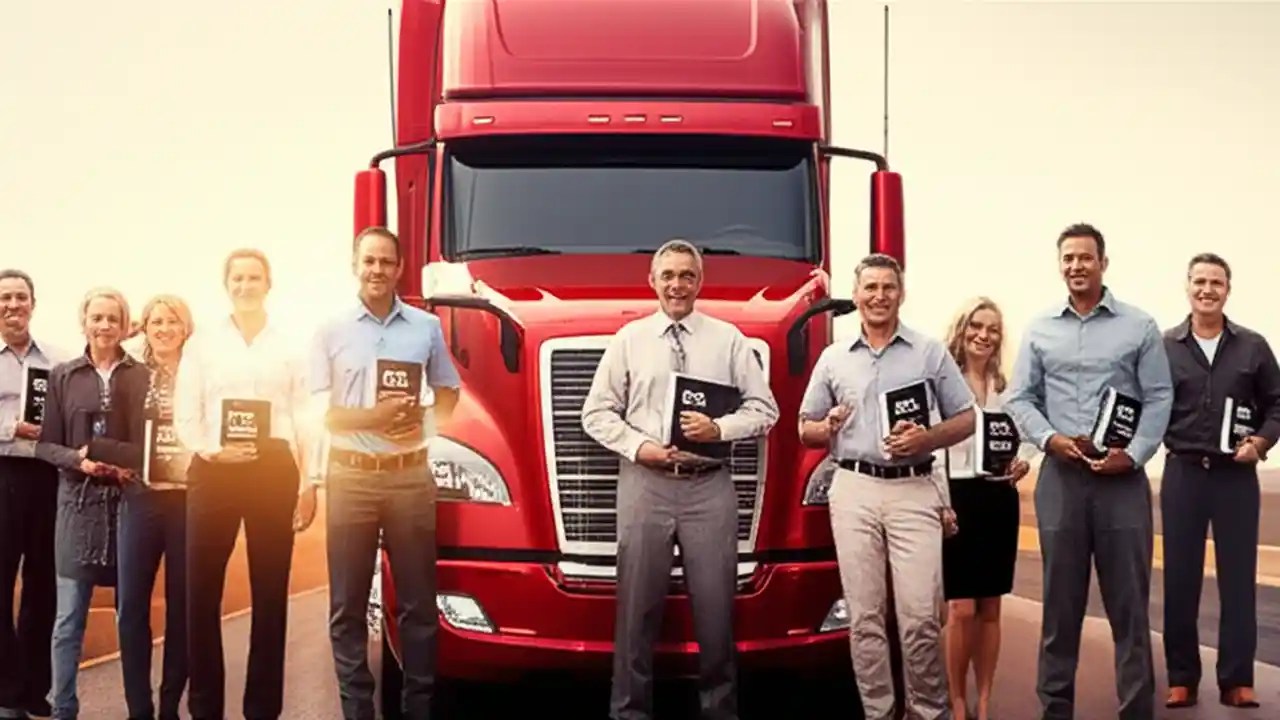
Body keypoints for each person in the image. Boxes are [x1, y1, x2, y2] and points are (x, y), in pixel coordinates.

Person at [581, 238, 779, 720]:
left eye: (687, 275)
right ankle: (629, 712)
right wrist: (639, 447)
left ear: (700, 282)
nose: (677, 285)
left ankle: (720, 712)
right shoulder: (629, 340)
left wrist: (719, 429)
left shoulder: (728, 340)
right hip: (645, 484)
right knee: (636, 614)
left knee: (716, 615)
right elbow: (595, 413)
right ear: (652, 281)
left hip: (709, 487)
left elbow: (765, 410)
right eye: (668, 275)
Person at [1004, 223, 1172, 720]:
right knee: (1060, 605)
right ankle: (1055, 708)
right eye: (1068, 258)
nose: (1076, 265)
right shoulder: (1040, 329)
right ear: (1060, 265)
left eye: (1085, 257)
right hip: (1062, 480)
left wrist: (1134, 454)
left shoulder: (1139, 326)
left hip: (1122, 483)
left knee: (1129, 606)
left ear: (1103, 262)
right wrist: (1050, 440)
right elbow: (1019, 397)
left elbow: (1159, 395)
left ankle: (1136, 709)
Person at [797, 252, 976, 720]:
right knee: (865, 618)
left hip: (913, 489)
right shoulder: (834, 358)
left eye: (888, 287)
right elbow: (804, 427)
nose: (879, 296)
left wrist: (926, 437)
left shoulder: (928, 351)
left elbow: (966, 418)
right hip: (854, 489)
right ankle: (879, 713)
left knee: (919, 618)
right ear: (856, 295)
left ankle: (929, 711)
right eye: (870, 287)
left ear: (901, 293)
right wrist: (826, 426)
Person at [309, 227, 461, 720]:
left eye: (386, 262)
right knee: (347, 608)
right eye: (369, 261)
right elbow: (319, 413)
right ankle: (358, 711)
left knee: (419, 607)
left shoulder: (426, 328)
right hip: (350, 477)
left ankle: (418, 710)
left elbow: (449, 394)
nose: (377, 270)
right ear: (355, 266)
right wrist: (372, 418)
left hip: (409, 478)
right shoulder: (329, 330)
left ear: (400, 269)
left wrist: (424, 423)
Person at [173, 248, 314, 720]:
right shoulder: (202, 344)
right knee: (200, 593)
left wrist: (309, 482)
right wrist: (213, 450)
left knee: (270, 594)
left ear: (268, 284)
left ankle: (262, 711)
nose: (246, 285)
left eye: (254, 277)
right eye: (238, 278)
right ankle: (205, 709)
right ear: (226, 284)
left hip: (273, 469)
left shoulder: (290, 344)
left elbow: (305, 415)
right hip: (214, 468)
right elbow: (186, 412)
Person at [1159, 253, 1278, 710]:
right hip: (1184, 473)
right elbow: (1149, 402)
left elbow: (1278, 404)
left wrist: (1261, 443)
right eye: (1200, 282)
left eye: (1216, 283)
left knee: (1238, 580)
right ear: (1187, 286)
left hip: (1236, 477)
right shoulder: (1165, 346)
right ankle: (1181, 678)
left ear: (1228, 290)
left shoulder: (1253, 347)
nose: (1207, 290)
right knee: (1180, 579)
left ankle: (1237, 679)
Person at [35, 287, 148, 720]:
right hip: (76, 510)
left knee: (130, 620)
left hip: (130, 506)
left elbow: (149, 444)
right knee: (68, 622)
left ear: (124, 325)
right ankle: (63, 709)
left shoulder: (142, 376)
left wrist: (123, 466)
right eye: (96, 317)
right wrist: (79, 461)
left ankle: (139, 710)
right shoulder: (62, 375)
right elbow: (46, 445)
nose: (104, 326)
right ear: (83, 322)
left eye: (112, 318)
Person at [938, 297, 1035, 720]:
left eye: (992, 329)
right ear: (962, 330)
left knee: (991, 608)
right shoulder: (944, 383)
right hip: (957, 498)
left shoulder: (1007, 388)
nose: (984, 335)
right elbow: (933, 446)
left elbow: (1030, 432)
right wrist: (939, 501)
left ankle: (984, 700)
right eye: (976, 326)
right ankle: (958, 701)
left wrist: (1024, 459)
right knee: (961, 609)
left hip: (998, 498)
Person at [115, 295, 196, 720]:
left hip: (189, 501)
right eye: (155, 322)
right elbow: (109, 433)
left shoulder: (201, 374)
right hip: (140, 499)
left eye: (172, 321)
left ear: (187, 328)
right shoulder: (130, 375)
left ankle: (169, 706)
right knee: (130, 607)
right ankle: (139, 709)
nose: (164, 329)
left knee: (183, 609)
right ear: (143, 329)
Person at [0, 269, 67, 720]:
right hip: (2, 472)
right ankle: (7, 689)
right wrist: (12, 428)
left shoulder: (57, 359)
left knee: (44, 584)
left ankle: (33, 688)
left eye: (20, 297)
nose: (13, 305)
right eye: (4, 297)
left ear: (33, 304)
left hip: (46, 475)